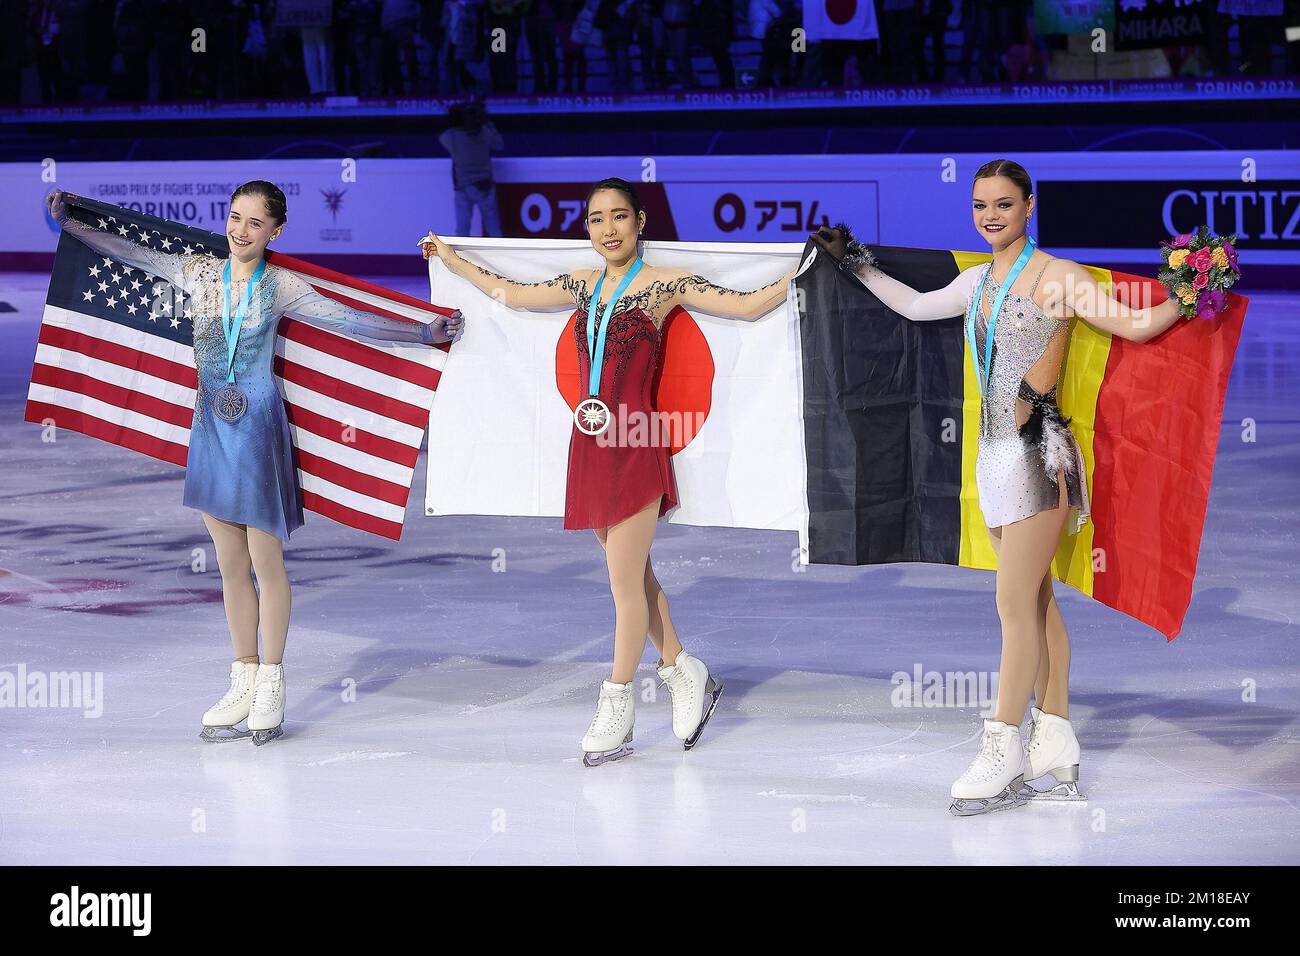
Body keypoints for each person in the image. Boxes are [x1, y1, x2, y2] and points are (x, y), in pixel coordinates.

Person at [813, 159, 1217, 814]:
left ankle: (1001, 744)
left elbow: (1134, 325)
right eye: (979, 206)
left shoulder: (1061, 278)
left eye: (1003, 204)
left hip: (1038, 456)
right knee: (1034, 604)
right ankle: (1053, 734)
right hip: (993, 459)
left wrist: (1195, 286)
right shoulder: (978, 280)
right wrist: (853, 259)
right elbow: (916, 307)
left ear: (1029, 206)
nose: (990, 216)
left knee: (1012, 608)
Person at [46, 182, 461, 745]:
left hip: (258, 426)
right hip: (210, 424)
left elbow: (348, 321)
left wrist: (420, 332)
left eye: (255, 223)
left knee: (266, 563)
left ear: (275, 232)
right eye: (235, 218)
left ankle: (272, 680)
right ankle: (242, 674)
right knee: (229, 563)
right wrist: (73, 225)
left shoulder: (282, 285)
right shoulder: (198, 272)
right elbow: (131, 252)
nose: (241, 231)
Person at [421, 177, 795, 765]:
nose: (608, 228)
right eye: (596, 219)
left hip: (637, 444)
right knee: (636, 575)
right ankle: (682, 670)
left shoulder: (663, 286)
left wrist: (807, 270)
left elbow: (745, 307)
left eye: (619, 216)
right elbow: (509, 293)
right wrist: (451, 258)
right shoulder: (582, 284)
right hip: (590, 442)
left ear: (640, 222)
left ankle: (617, 701)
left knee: (623, 586)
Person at [440, 100, 505, 237]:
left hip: (463, 188)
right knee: (494, 229)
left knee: (462, 231)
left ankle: (458, 258)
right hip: (485, 187)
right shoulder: (484, 132)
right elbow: (499, 145)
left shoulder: (451, 137)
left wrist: (457, 117)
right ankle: (500, 257)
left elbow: (443, 133)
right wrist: (487, 121)